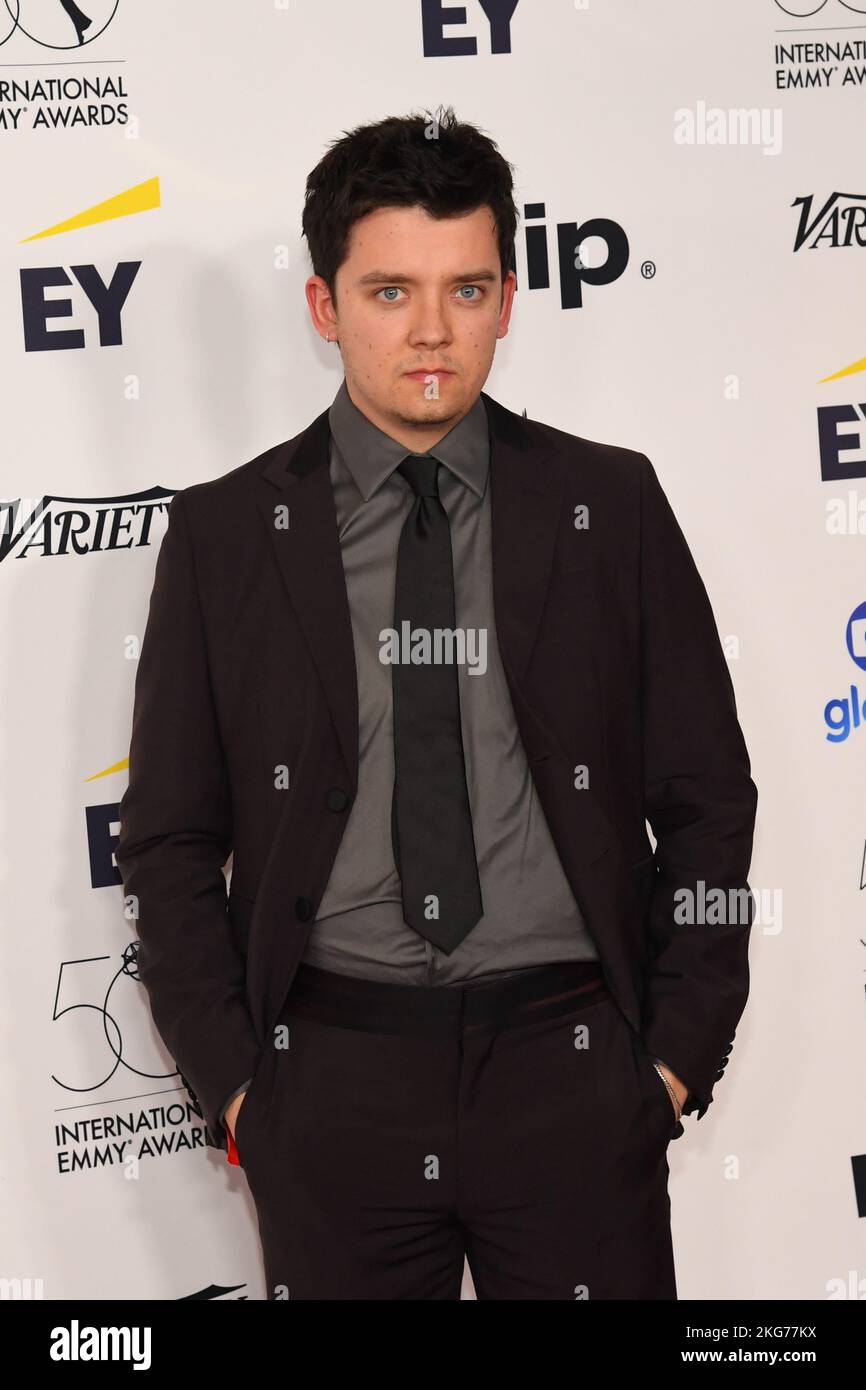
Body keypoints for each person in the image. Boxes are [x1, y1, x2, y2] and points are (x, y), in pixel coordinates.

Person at [115, 106, 758, 1300]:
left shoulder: (607, 506)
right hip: (330, 1085)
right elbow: (165, 839)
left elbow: (707, 795)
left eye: (465, 291)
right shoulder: (222, 536)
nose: (429, 331)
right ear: (325, 306)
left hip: (572, 1074)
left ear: (509, 299)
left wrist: (671, 1057)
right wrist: (242, 1087)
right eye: (389, 291)